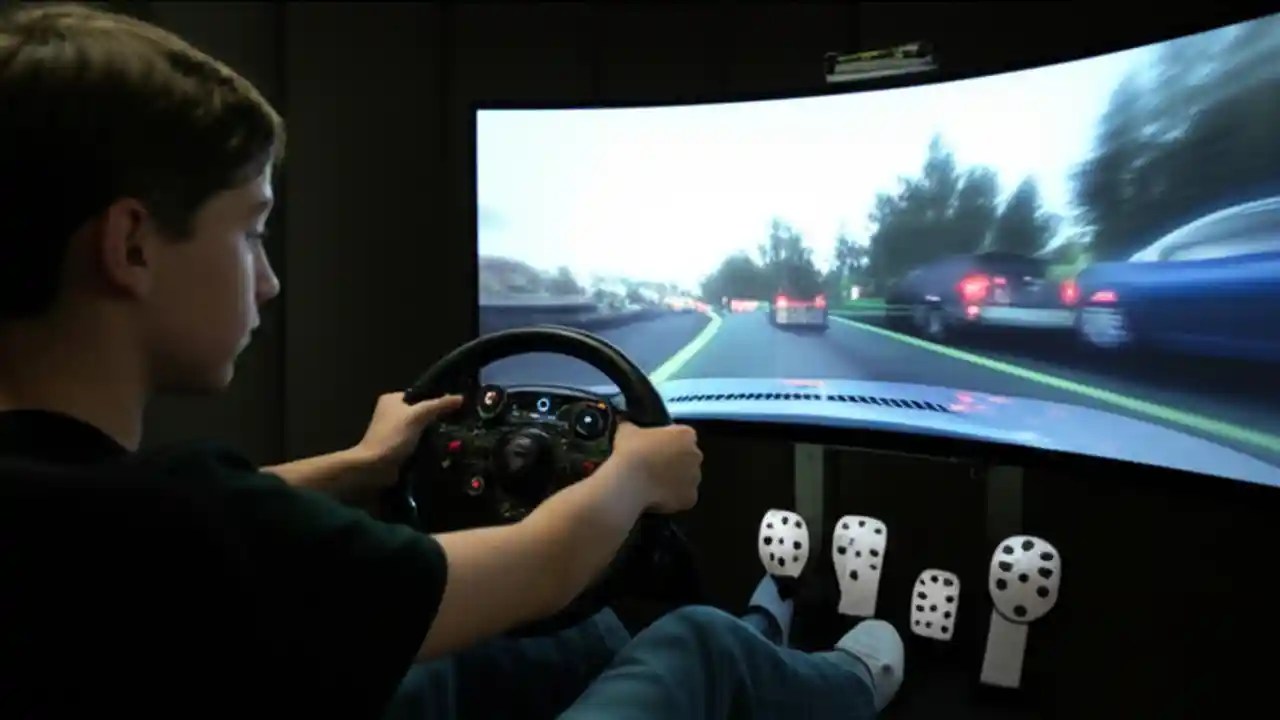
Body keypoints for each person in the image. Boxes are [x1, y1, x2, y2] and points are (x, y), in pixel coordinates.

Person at [0, 4, 903, 719]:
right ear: (133, 246)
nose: (268, 282)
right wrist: (634, 476)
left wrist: (359, 468)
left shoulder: (100, 513)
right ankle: (847, 683)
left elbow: (205, 532)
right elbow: (537, 565)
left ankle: (765, 634)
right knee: (694, 646)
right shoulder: (183, 522)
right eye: (251, 233)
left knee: (541, 648)